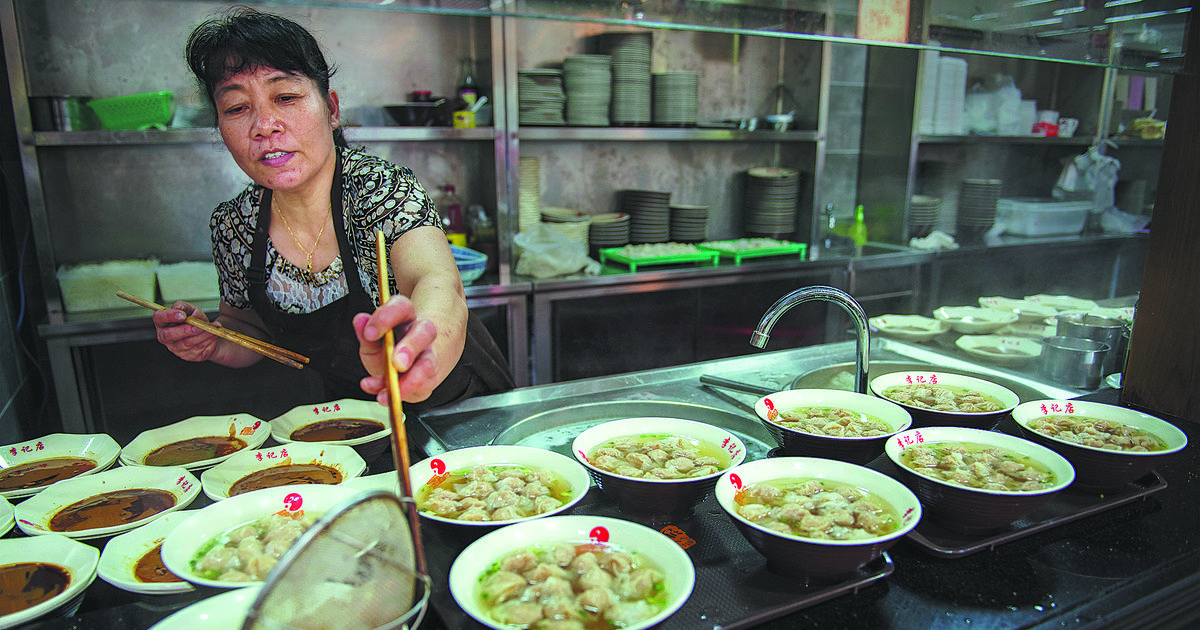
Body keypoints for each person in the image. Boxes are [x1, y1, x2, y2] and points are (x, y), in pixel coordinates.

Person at [153, 7, 514, 410]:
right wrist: (216, 340)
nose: (264, 125)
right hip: (355, 419)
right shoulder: (234, 225)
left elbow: (436, 282)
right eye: (237, 108)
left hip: (456, 402)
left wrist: (421, 356)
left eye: (285, 97)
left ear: (332, 110)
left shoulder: (379, 189)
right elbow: (247, 326)